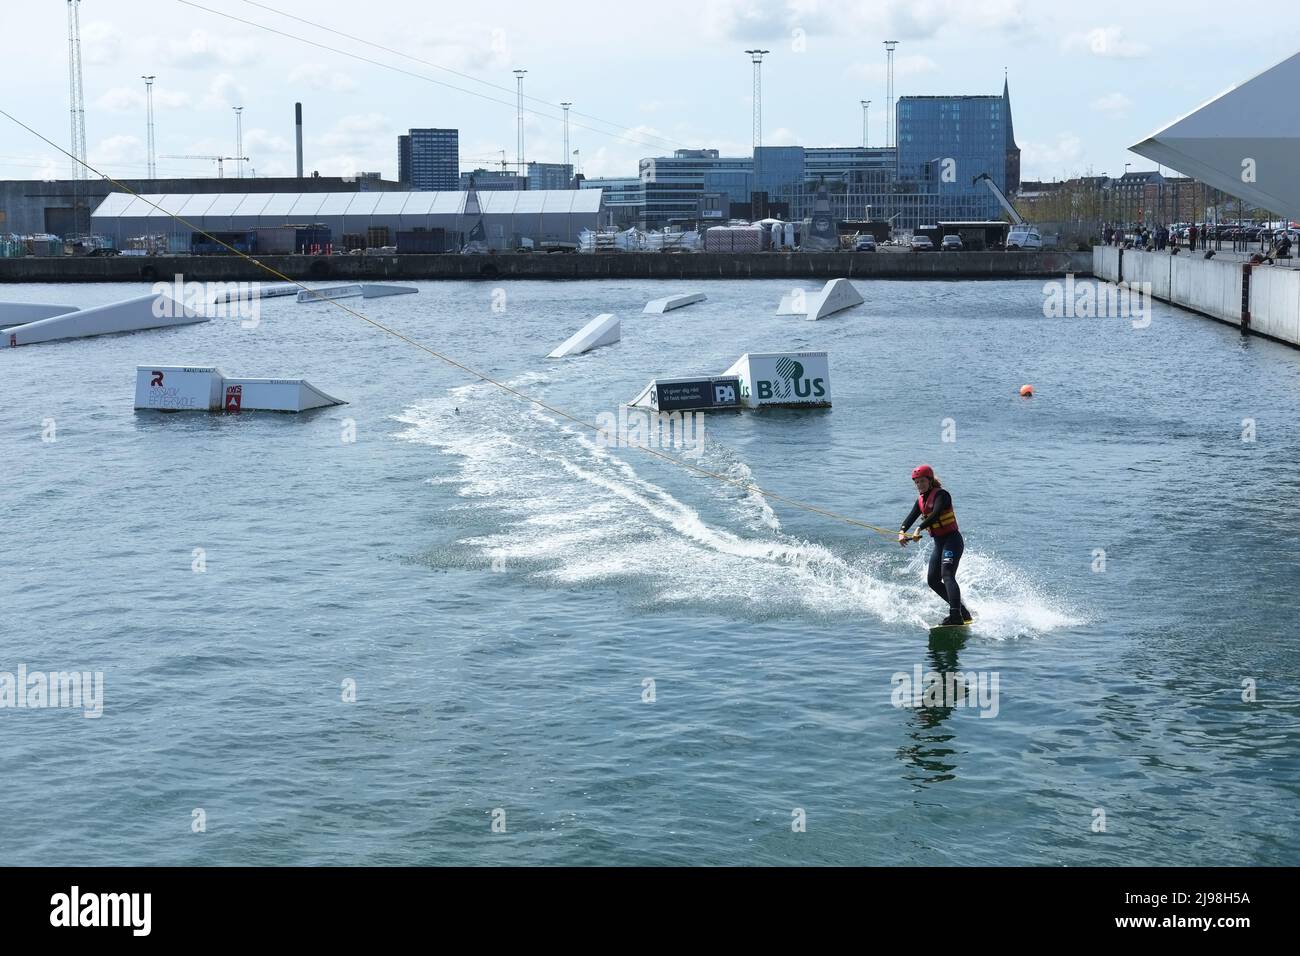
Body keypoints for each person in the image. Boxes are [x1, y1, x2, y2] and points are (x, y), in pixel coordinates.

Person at [899, 465, 972, 626]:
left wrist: (919, 528)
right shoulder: (920, 501)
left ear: (930, 480)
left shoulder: (942, 495)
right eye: (917, 482)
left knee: (947, 575)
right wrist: (902, 532)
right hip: (939, 544)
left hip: (952, 541)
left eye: (922, 481)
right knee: (932, 580)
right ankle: (963, 612)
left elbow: (936, 513)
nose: (919, 485)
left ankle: (955, 616)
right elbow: (910, 518)